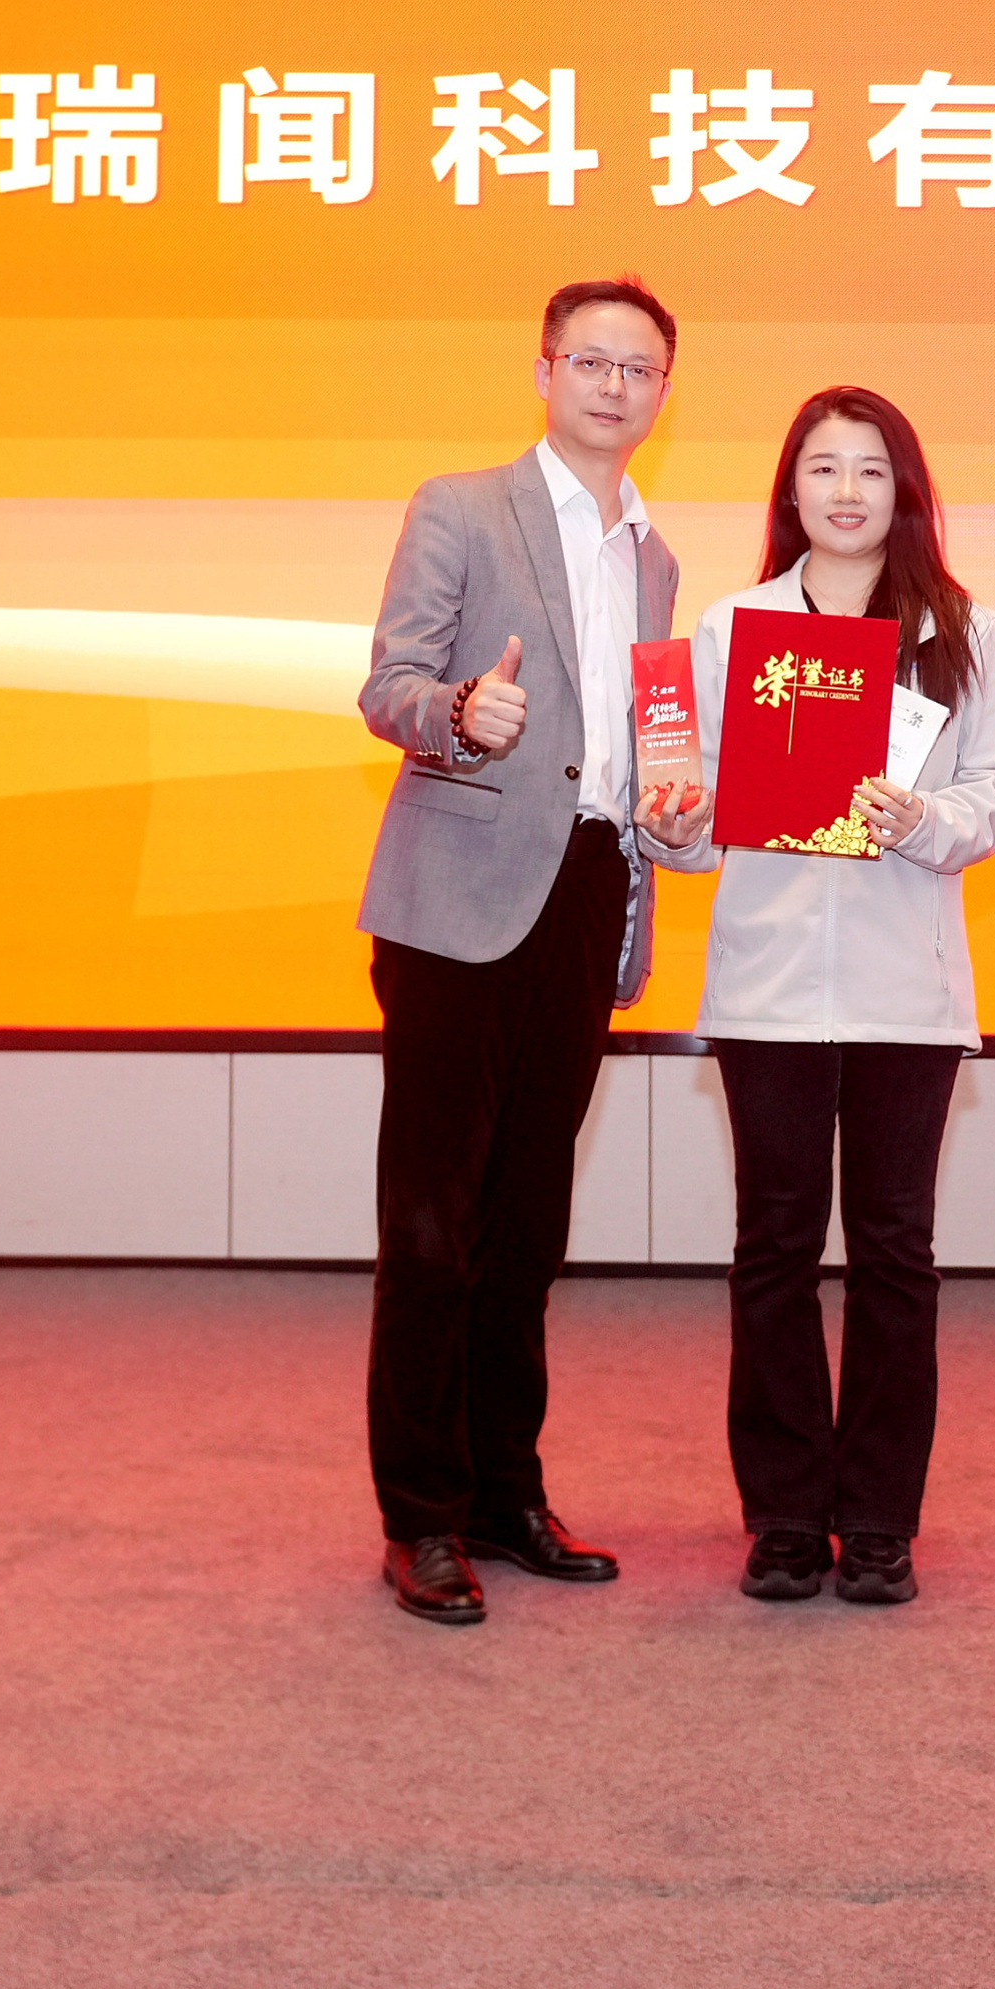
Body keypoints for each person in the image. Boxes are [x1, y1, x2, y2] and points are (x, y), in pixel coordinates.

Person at [643, 387, 995, 1606]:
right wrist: (677, 821)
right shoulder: (732, 627)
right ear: (790, 489)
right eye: (822, 467)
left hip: (903, 995)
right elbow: (695, 810)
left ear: (903, 490)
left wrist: (925, 819)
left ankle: (875, 1521)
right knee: (770, 1248)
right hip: (766, 992)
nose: (846, 491)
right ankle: (779, 1517)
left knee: (892, 1253)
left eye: (870, 469)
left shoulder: (961, 630)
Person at [350, 278, 688, 1625]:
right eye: (590, 360)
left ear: (663, 393)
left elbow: (636, 740)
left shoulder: (655, 558)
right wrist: (456, 713)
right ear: (544, 370)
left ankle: (505, 1491)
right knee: (432, 1226)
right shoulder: (460, 506)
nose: (613, 385)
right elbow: (387, 684)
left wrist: (672, 815)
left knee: (528, 1227)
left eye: (638, 368)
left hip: (587, 893)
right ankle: (421, 1516)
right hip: (456, 901)